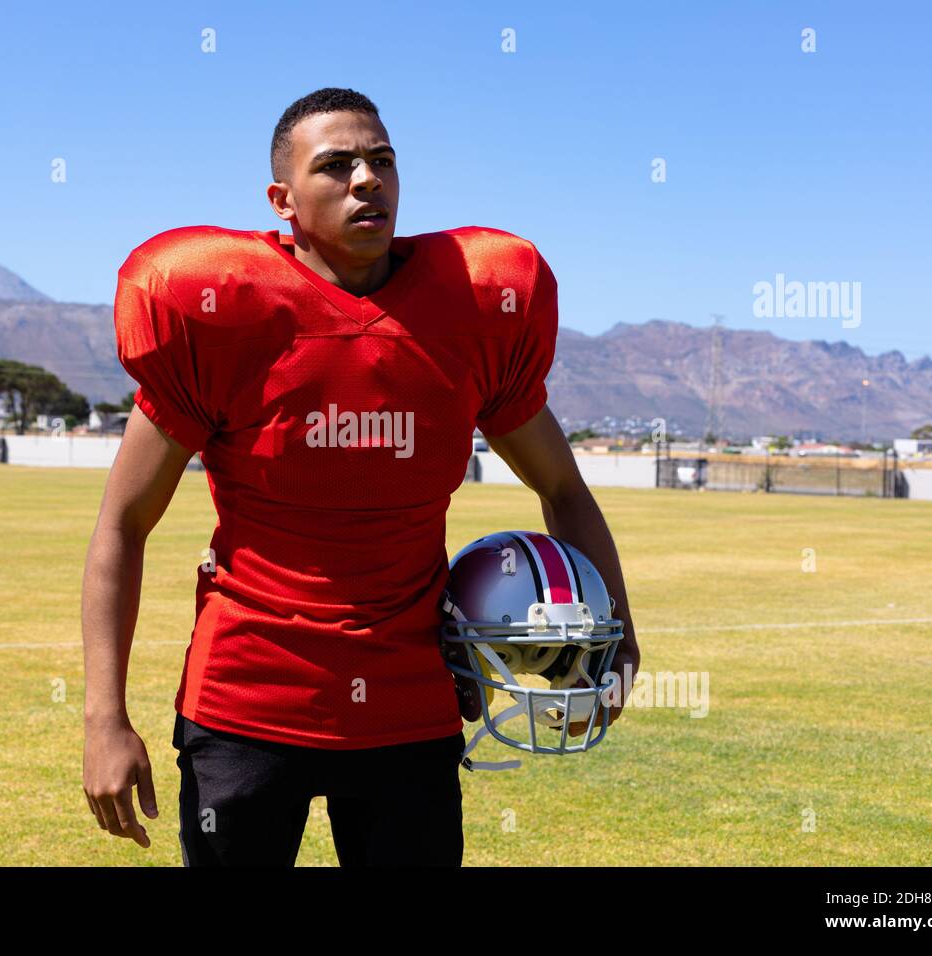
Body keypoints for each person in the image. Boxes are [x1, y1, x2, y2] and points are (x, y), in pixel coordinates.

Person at [81, 87, 640, 866]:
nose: (366, 180)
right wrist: (104, 719)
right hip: (248, 698)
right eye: (336, 165)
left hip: (408, 706)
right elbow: (122, 525)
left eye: (381, 161)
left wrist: (621, 642)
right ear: (282, 199)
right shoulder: (222, 310)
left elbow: (564, 490)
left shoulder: (468, 311)